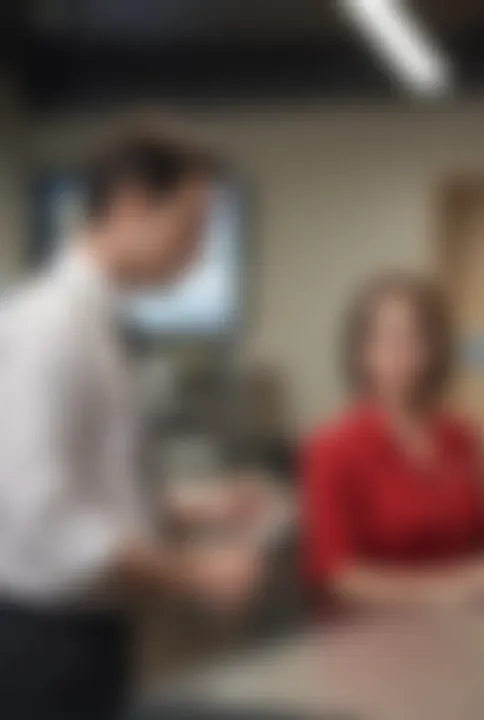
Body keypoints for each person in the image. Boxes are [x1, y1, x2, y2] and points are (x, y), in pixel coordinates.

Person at [0, 126, 261, 719]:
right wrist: (192, 574)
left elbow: (96, 484)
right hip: (43, 643)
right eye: (190, 227)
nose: (196, 253)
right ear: (129, 205)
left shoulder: (103, 328)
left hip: (88, 636)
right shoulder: (49, 326)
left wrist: (195, 506)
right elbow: (47, 520)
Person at [303, 271, 484, 612]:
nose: (402, 350)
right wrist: (452, 590)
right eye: (387, 337)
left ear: (434, 348)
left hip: (467, 629)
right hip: (370, 641)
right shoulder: (332, 447)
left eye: (416, 336)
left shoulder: (463, 437)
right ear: (362, 352)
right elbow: (339, 576)